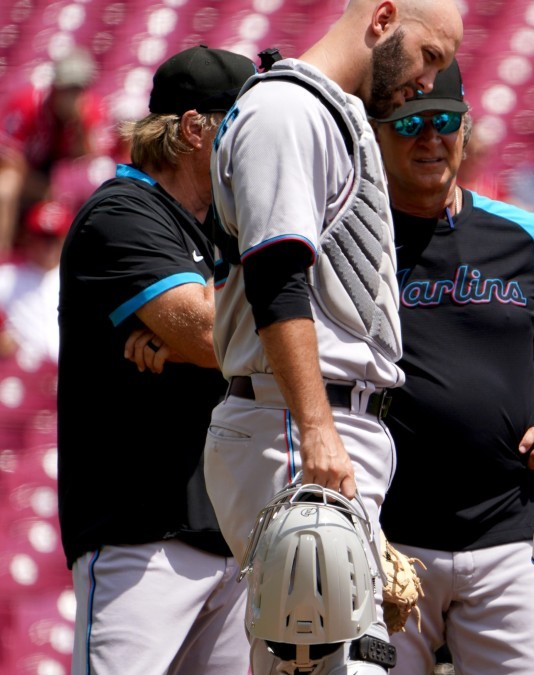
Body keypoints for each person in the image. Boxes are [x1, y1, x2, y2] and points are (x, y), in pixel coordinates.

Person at [203, 1, 462, 673]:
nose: (429, 81)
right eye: (428, 54)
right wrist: (318, 428)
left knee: (312, 661)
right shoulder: (287, 110)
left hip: (315, 422)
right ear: (382, 19)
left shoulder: (328, 110)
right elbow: (275, 273)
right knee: (343, 662)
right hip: (295, 424)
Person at [370, 59, 534, 674]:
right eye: (410, 125)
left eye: (444, 121)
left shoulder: (524, 236)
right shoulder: (356, 236)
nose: (430, 138)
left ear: (466, 129)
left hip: (508, 531)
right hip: (385, 533)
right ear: (377, 133)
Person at [57, 45, 256, 675]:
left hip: (231, 536)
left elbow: (227, 334)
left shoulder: (229, 228)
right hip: (140, 537)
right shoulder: (121, 213)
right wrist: (220, 338)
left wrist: (212, 336)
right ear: (196, 128)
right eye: (243, 122)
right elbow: (208, 334)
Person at [0, 48, 114, 255]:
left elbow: (92, 158)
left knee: (101, 183)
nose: (71, 96)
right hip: (28, 175)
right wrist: (43, 187)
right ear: (54, 87)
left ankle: (89, 255)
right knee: (5, 186)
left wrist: (80, 124)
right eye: (66, 89)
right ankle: (3, 257)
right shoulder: (29, 104)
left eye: (77, 89)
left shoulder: (93, 110)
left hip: (62, 177)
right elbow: (9, 158)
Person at [0, 199, 71, 366]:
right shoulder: (8, 277)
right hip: (25, 374)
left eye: (53, 238)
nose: (47, 246)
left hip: (69, 373)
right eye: (41, 237)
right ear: (29, 237)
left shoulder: (79, 279)